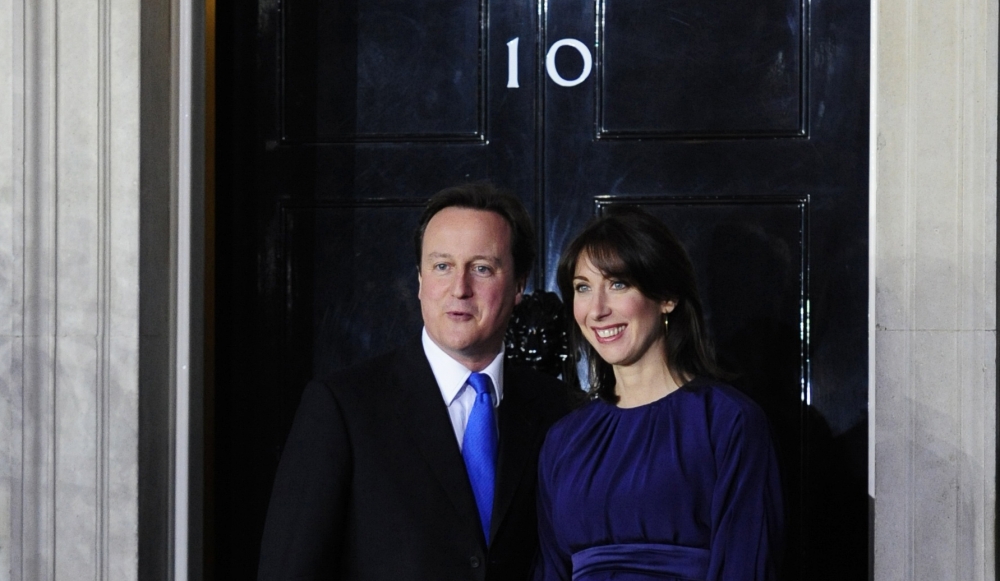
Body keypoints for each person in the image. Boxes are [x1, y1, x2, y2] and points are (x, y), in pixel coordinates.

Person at [257, 183, 579, 581]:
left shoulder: (563, 412)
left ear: (518, 286)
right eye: (442, 266)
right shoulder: (343, 407)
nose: (459, 288)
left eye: (482, 268)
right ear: (420, 281)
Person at [532, 206, 783, 581]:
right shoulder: (564, 440)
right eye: (583, 287)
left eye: (618, 284)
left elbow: (747, 567)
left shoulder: (728, 422)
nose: (596, 310)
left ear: (667, 296)